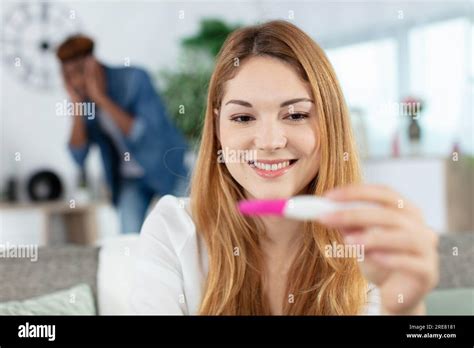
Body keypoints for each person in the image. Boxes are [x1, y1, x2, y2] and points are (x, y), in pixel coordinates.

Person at [131, 20, 439, 315]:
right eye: (242, 118)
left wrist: (405, 309)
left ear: (331, 123)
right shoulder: (173, 229)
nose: (269, 142)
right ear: (217, 126)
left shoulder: (367, 244)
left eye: (295, 115)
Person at [57, 35, 189, 234]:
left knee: (188, 229)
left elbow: (144, 134)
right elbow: (78, 156)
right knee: (128, 237)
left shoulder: (135, 78)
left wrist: (101, 98)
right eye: (68, 75)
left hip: (167, 166)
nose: (75, 80)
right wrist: (76, 105)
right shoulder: (83, 100)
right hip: (129, 179)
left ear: (93, 64)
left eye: (78, 72)